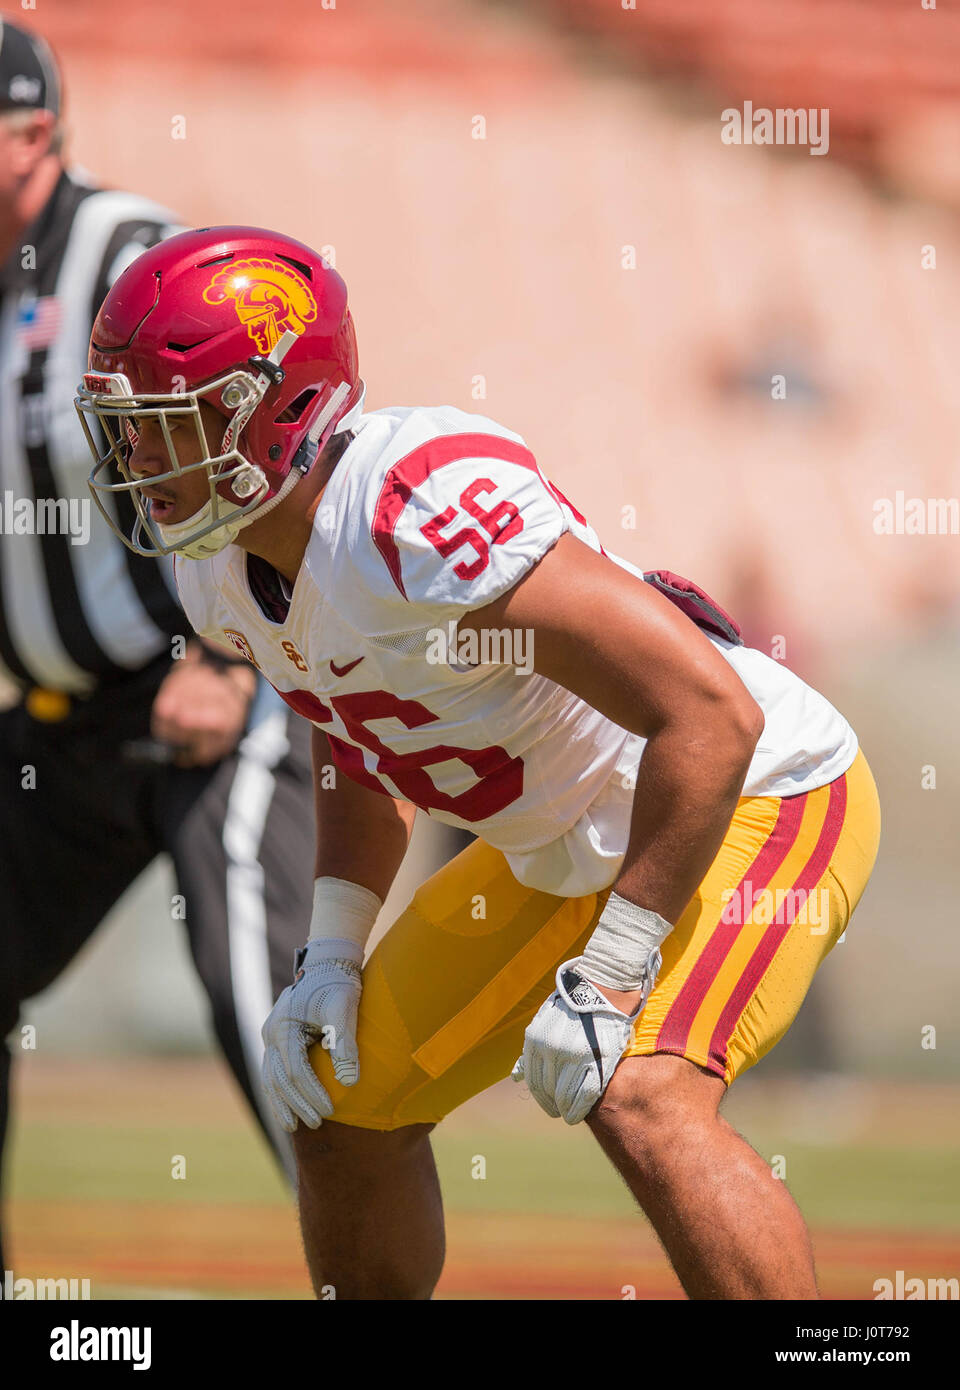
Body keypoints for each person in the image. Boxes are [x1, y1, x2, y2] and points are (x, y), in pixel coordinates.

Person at [75, 223, 881, 1301]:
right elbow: (356, 729)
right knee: (340, 1103)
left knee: (641, 1093)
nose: (138, 457)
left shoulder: (417, 512)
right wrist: (332, 953)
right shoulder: (220, 569)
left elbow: (709, 713)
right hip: (560, 845)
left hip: (755, 792)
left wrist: (615, 963)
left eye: (170, 424)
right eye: (128, 426)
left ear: (277, 411)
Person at [0, 17, 317, 1271]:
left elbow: (254, 428)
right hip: (56, 726)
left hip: (205, 701)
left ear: (33, 136)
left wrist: (231, 658)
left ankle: (375, 1275)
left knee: (267, 999)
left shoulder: (127, 255)